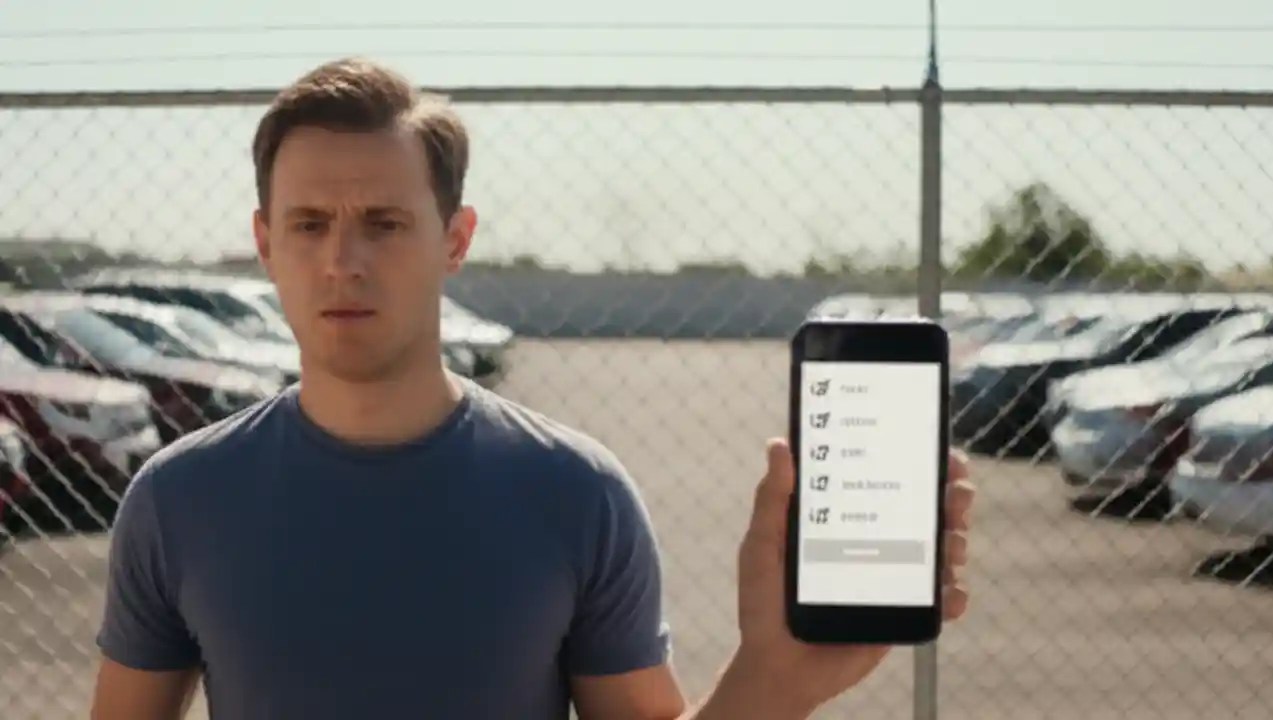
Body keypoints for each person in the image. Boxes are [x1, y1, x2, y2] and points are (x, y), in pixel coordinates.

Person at [89, 57, 975, 720]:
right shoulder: (177, 500)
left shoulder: (575, 493)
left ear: (456, 239)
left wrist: (774, 682)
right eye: (309, 224)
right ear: (265, 243)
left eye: (385, 224)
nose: (342, 261)